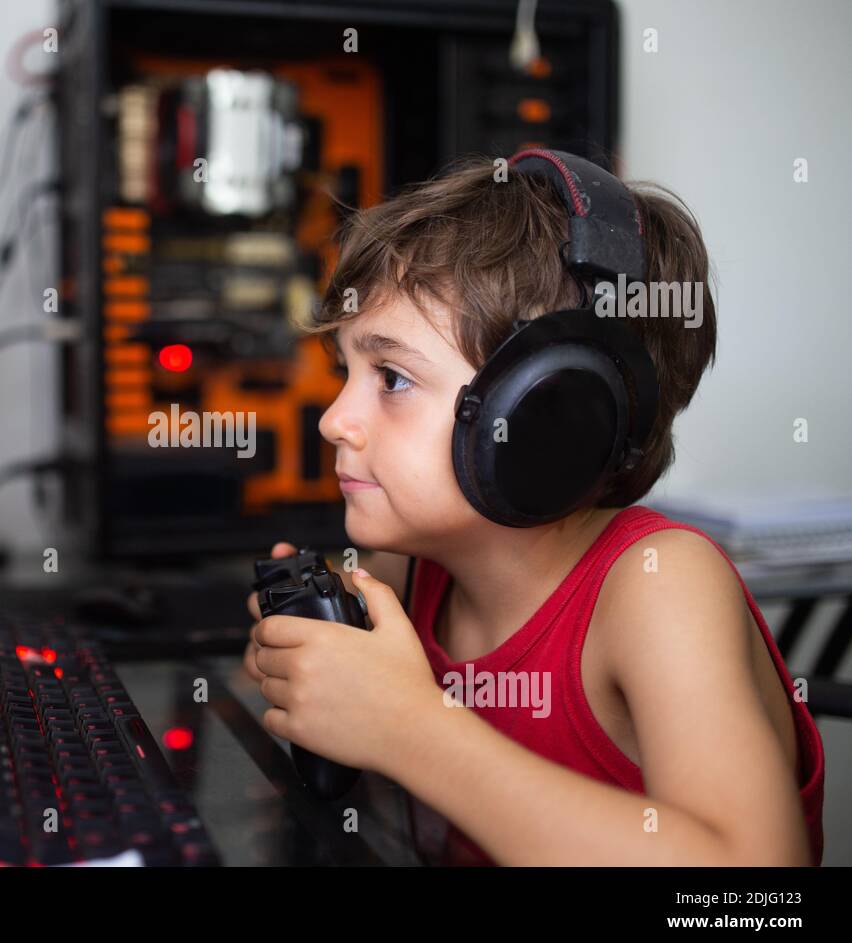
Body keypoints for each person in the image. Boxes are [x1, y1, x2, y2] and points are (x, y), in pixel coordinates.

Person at [243, 154, 824, 865]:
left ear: (554, 411)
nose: (335, 420)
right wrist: (321, 676)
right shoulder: (407, 573)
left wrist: (409, 727)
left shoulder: (657, 584)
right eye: (348, 372)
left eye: (391, 377)